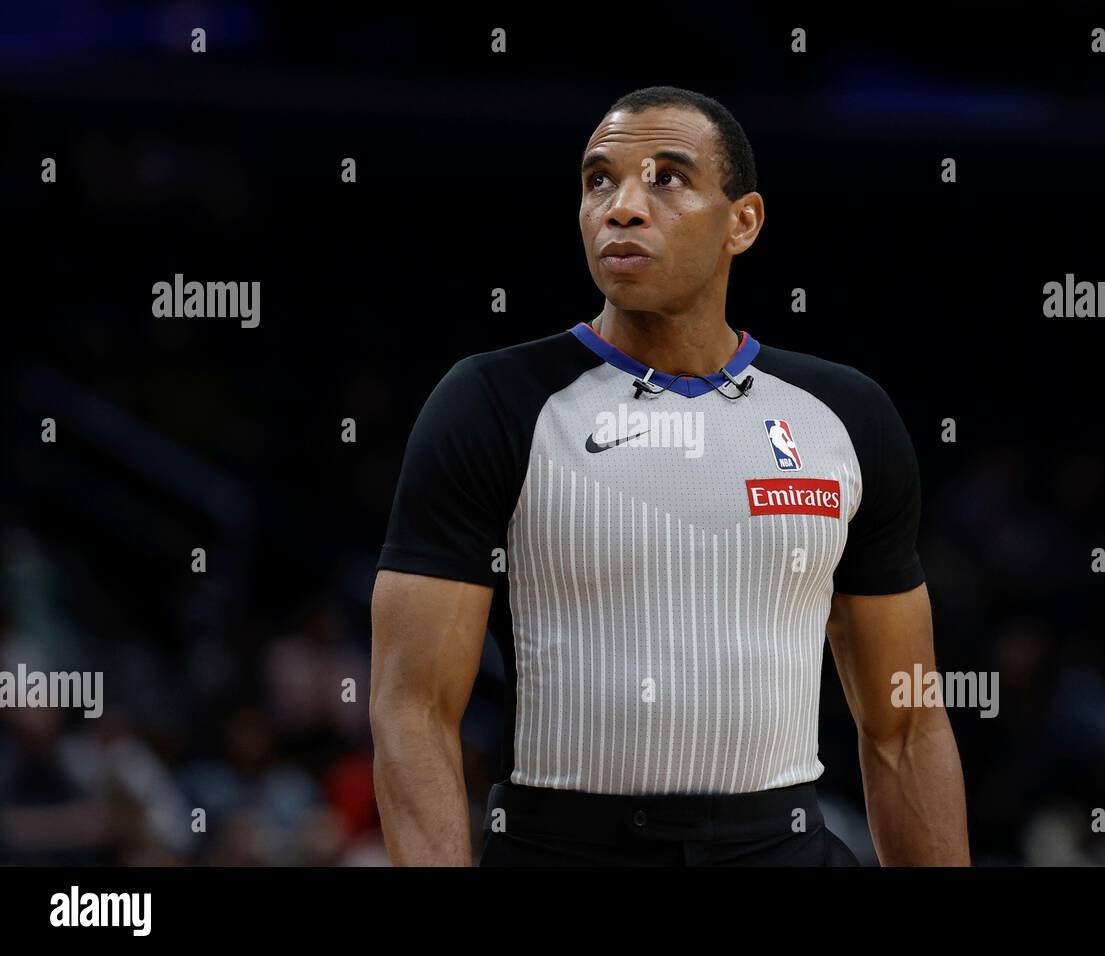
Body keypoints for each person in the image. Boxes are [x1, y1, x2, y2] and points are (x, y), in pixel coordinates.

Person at [370, 85, 969, 866]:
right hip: (562, 848)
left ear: (743, 222)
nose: (622, 207)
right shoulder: (491, 402)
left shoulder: (845, 414)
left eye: (666, 178)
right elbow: (411, 710)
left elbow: (906, 724)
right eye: (598, 181)